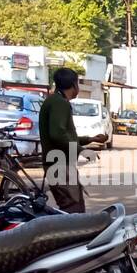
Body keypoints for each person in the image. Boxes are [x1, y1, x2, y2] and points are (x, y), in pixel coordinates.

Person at [39, 67, 88, 212]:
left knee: (73, 206)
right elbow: (57, 134)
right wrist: (80, 150)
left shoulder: (55, 101)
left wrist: (89, 139)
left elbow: (64, 134)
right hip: (60, 165)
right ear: (74, 85)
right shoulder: (60, 103)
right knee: (73, 208)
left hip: (60, 164)